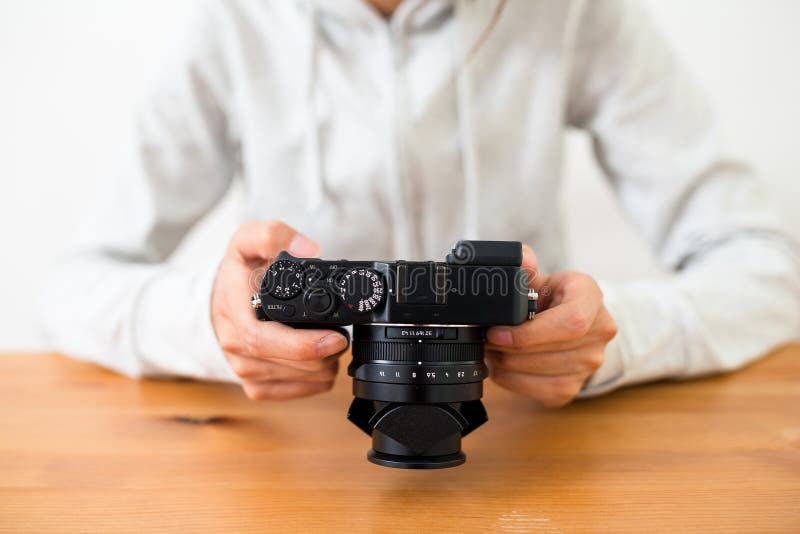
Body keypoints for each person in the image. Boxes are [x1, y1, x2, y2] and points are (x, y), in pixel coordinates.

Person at [40, 0, 800, 406]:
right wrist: (215, 325)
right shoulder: (235, 21)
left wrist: (611, 336)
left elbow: (767, 272)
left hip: (529, 423)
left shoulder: (574, 10)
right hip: (291, 446)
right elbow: (71, 288)